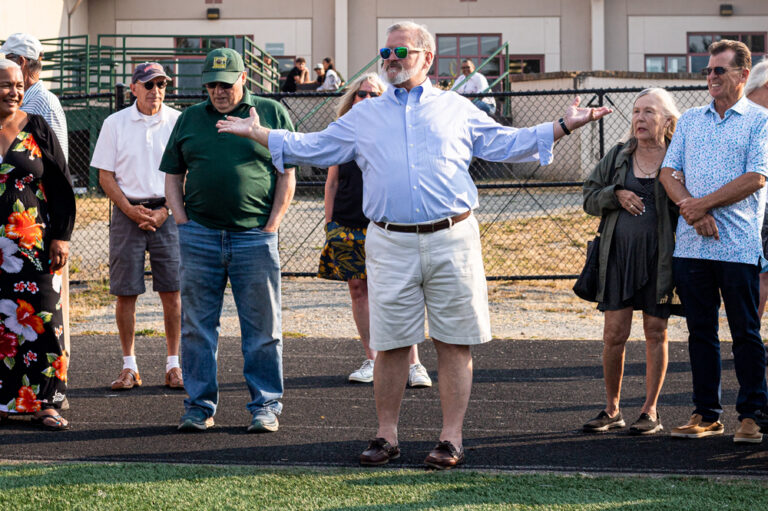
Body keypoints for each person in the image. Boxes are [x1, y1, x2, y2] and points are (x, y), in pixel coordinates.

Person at [216, 21, 611, 468]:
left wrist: (562, 125)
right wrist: (259, 133)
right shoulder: (365, 114)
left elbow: (507, 143)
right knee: (390, 345)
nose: (391, 60)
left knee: (454, 341)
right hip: (389, 242)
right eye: (384, 53)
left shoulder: (456, 107)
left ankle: (451, 438)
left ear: (426, 56)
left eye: (400, 51)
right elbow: (316, 146)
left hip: (453, 239)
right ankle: (386, 436)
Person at [161, 48, 296, 433]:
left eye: (226, 82)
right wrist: (182, 222)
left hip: (254, 236)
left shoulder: (269, 113)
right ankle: (199, 407)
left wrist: (273, 224)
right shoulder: (190, 118)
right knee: (197, 328)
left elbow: (287, 173)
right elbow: (173, 174)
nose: (218, 91)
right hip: (200, 235)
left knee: (263, 328)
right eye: (211, 84)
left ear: (243, 79)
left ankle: (265, 406)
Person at [659, 40, 768, 443]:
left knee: (745, 332)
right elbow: (669, 172)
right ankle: (706, 413)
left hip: (737, 245)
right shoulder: (689, 120)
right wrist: (692, 209)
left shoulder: (759, 121)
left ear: (742, 74)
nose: (710, 78)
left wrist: (699, 206)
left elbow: (755, 178)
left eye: (719, 71)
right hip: (691, 246)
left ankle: (753, 414)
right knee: (700, 332)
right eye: (707, 71)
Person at [319, 73, 431, 388]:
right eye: (362, 94)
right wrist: (329, 223)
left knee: (398, 293)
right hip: (346, 225)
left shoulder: (396, 131)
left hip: (387, 225)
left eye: (374, 94)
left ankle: (413, 364)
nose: (366, 99)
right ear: (353, 97)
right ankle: (372, 359)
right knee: (359, 291)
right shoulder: (341, 133)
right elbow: (332, 181)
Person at [581, 88, 681, 435]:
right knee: (614, 335)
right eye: (637, 111)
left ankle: (650, 411)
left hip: (661, 261)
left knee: (656, 332)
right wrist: (615, 194)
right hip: (618, 259)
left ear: (667, 121)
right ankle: (612, 410)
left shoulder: (678, 156)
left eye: (649, 112)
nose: (639, 118)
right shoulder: (618, 155)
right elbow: (588, 197)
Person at [91, 62, 183, 391]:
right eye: (148, 84)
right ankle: (129, 366)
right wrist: (130, 210)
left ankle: (174, 365)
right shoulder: (115, 123)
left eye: (161, 84)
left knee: (172, 291)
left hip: (166, 213)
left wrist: (166, 211)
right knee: (125, 292)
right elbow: (105, 175)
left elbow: (186, 172)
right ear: (133, 88)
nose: (155, 90)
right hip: (127, 212)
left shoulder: (177, 121)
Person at [0, 59, 76, 430]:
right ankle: (6, 401)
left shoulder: (37, 127)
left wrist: (61, 236)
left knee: (45, 320)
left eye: (18, 85)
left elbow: (61, 185)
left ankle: (46, 402)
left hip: (33, 247)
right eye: (5, 85)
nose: (14, 92)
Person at [744, 61, 768, 320]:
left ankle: (750, 342)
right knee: (759, 275)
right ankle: (749, 341)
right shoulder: (746, 114)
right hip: (750, 206)